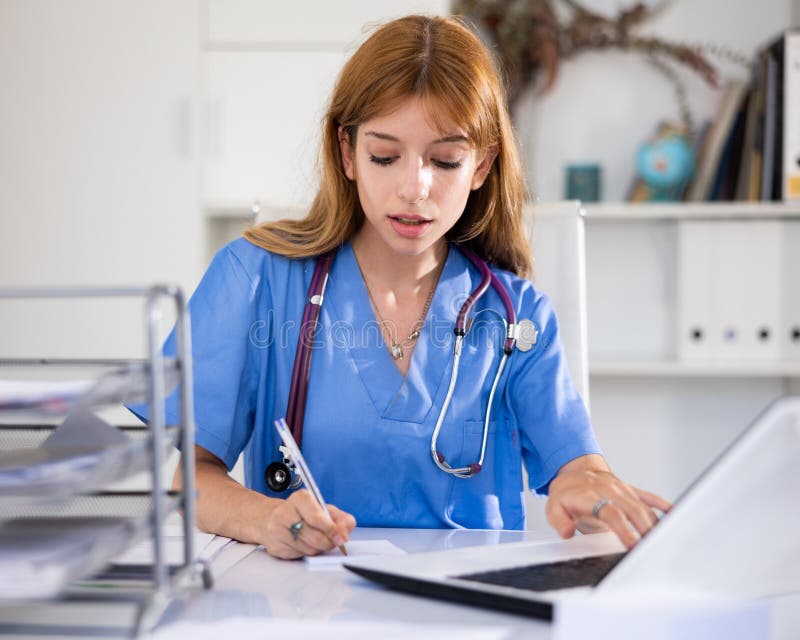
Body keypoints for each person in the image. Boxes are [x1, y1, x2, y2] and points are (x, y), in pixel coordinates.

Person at [147, 14, 670, 560]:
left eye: (445, 160)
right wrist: (268, 518)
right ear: (347, 153)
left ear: (481, 165)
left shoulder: (516, 313)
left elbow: (576, 466)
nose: (414, 188)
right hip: (304, 606)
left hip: (465, 610)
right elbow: (190, 481)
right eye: (384, 155)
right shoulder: (253, 277)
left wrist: (586, 485)